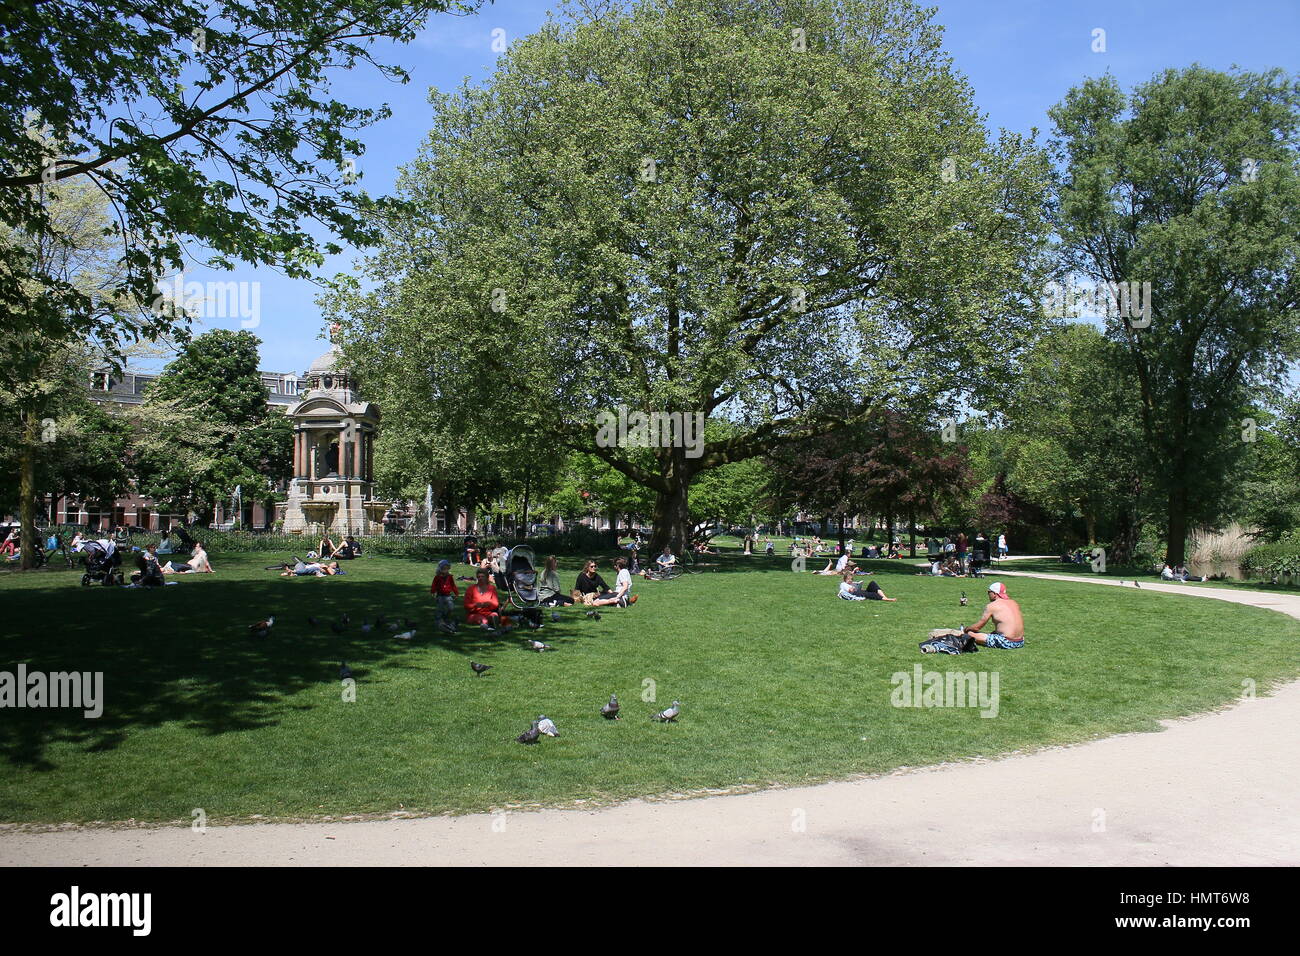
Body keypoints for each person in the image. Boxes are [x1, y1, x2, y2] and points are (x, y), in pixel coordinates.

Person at [963, 581, 1024, 649]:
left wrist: (966, 629)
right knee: (988, 634)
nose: (988, 594)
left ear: (994, 593)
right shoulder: (1014, 603)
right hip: (1020, 641)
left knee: (969, 634)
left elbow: (977, 627)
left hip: (1007, 642)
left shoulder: (991, 606)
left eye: (989, 592)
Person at [431, 559, 460, 631]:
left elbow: (453, 585)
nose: (445, 570)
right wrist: (433, 592)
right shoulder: (437, 577)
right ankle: (438, 620)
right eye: (444, 568)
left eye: (447, 568)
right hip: (440, 595)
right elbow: (434, 585)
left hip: (448, 595)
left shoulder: (450, 577)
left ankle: (446, 617)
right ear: (440, 569)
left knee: (451, 607)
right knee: (440, 609)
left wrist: (456, 593)